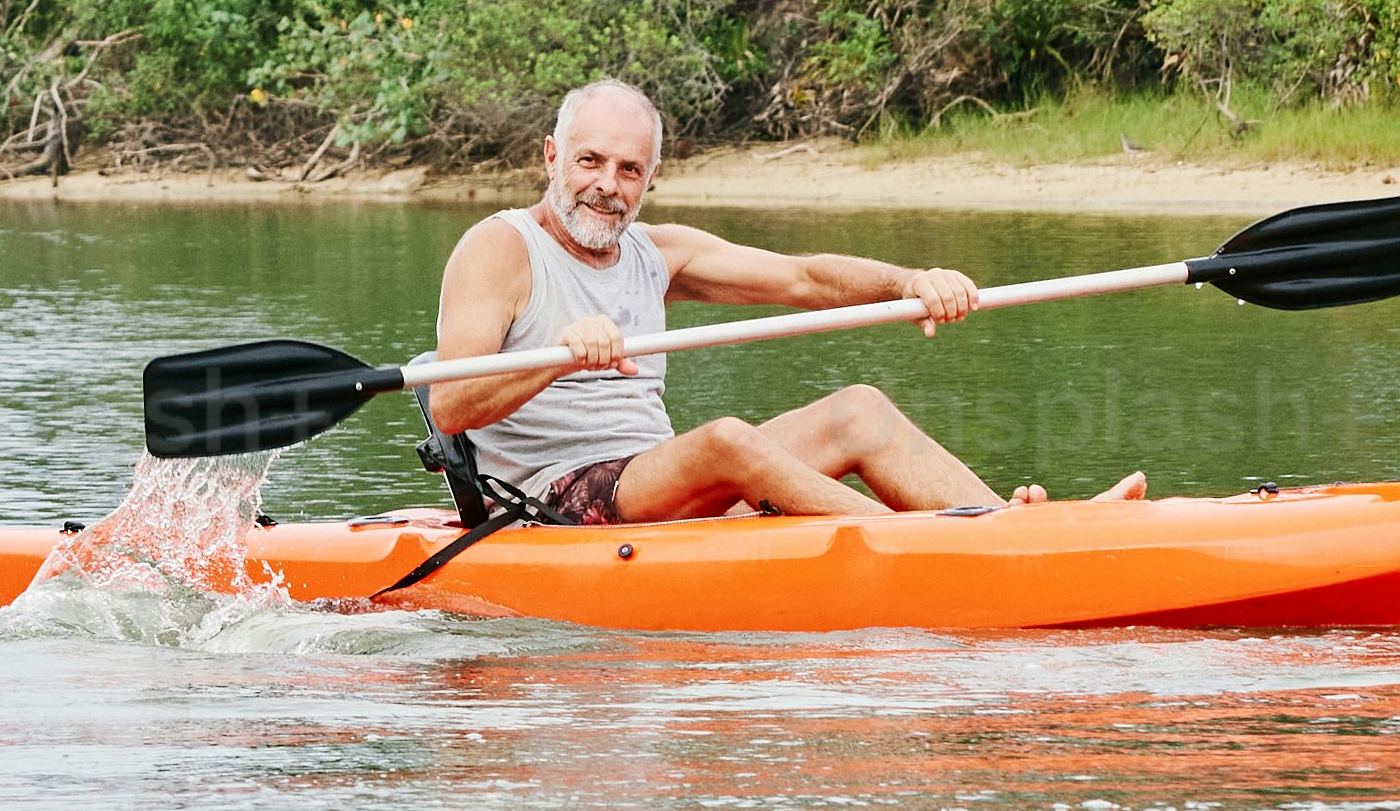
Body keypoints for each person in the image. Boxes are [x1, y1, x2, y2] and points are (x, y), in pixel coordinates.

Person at [423, 78, 1033, 530]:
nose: (608, 185)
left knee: (859, 411)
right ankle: (937, 544)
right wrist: (556, 359)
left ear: (651, 177)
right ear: (553, 157)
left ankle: (1015, 528)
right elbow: (451, 407)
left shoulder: (659, 253)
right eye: (590, 161)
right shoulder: (499, 248)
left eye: (629, 169)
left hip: (654, 480)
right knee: (724, 440)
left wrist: (910, 283)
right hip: (554, 502)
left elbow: (804, 279)